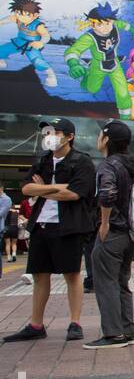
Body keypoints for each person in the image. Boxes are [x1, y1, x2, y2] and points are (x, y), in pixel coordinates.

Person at [3, 119, 95, 344]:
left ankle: (75, 323)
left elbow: (75, 194)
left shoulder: (82, 161)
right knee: (39, 275)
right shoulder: (43, 160)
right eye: (48, 132)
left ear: (70, 137)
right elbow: (26, 188)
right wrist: (57, 187)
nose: (51, 135)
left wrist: (42, 189)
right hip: (40, 226)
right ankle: (36, 324)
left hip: (68, 226)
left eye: (57, 132)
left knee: (72, 274)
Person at [87, 121, 134, 349]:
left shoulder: (108, 165)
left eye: (100, 134)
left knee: (106, 282)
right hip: (131, 235)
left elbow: (107, 195)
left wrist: (106, 222)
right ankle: (128, 331)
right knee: (121, 282)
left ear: (107, 139)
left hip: (113, 233)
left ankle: (113, 334)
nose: (98, 137)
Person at [3, 192, 17, 262]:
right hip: (14, 228)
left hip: (6, 227)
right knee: (14, 243)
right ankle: (14, 254)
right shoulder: (16, 212)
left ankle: (9, 257)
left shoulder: (5, 211)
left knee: (7, 243)